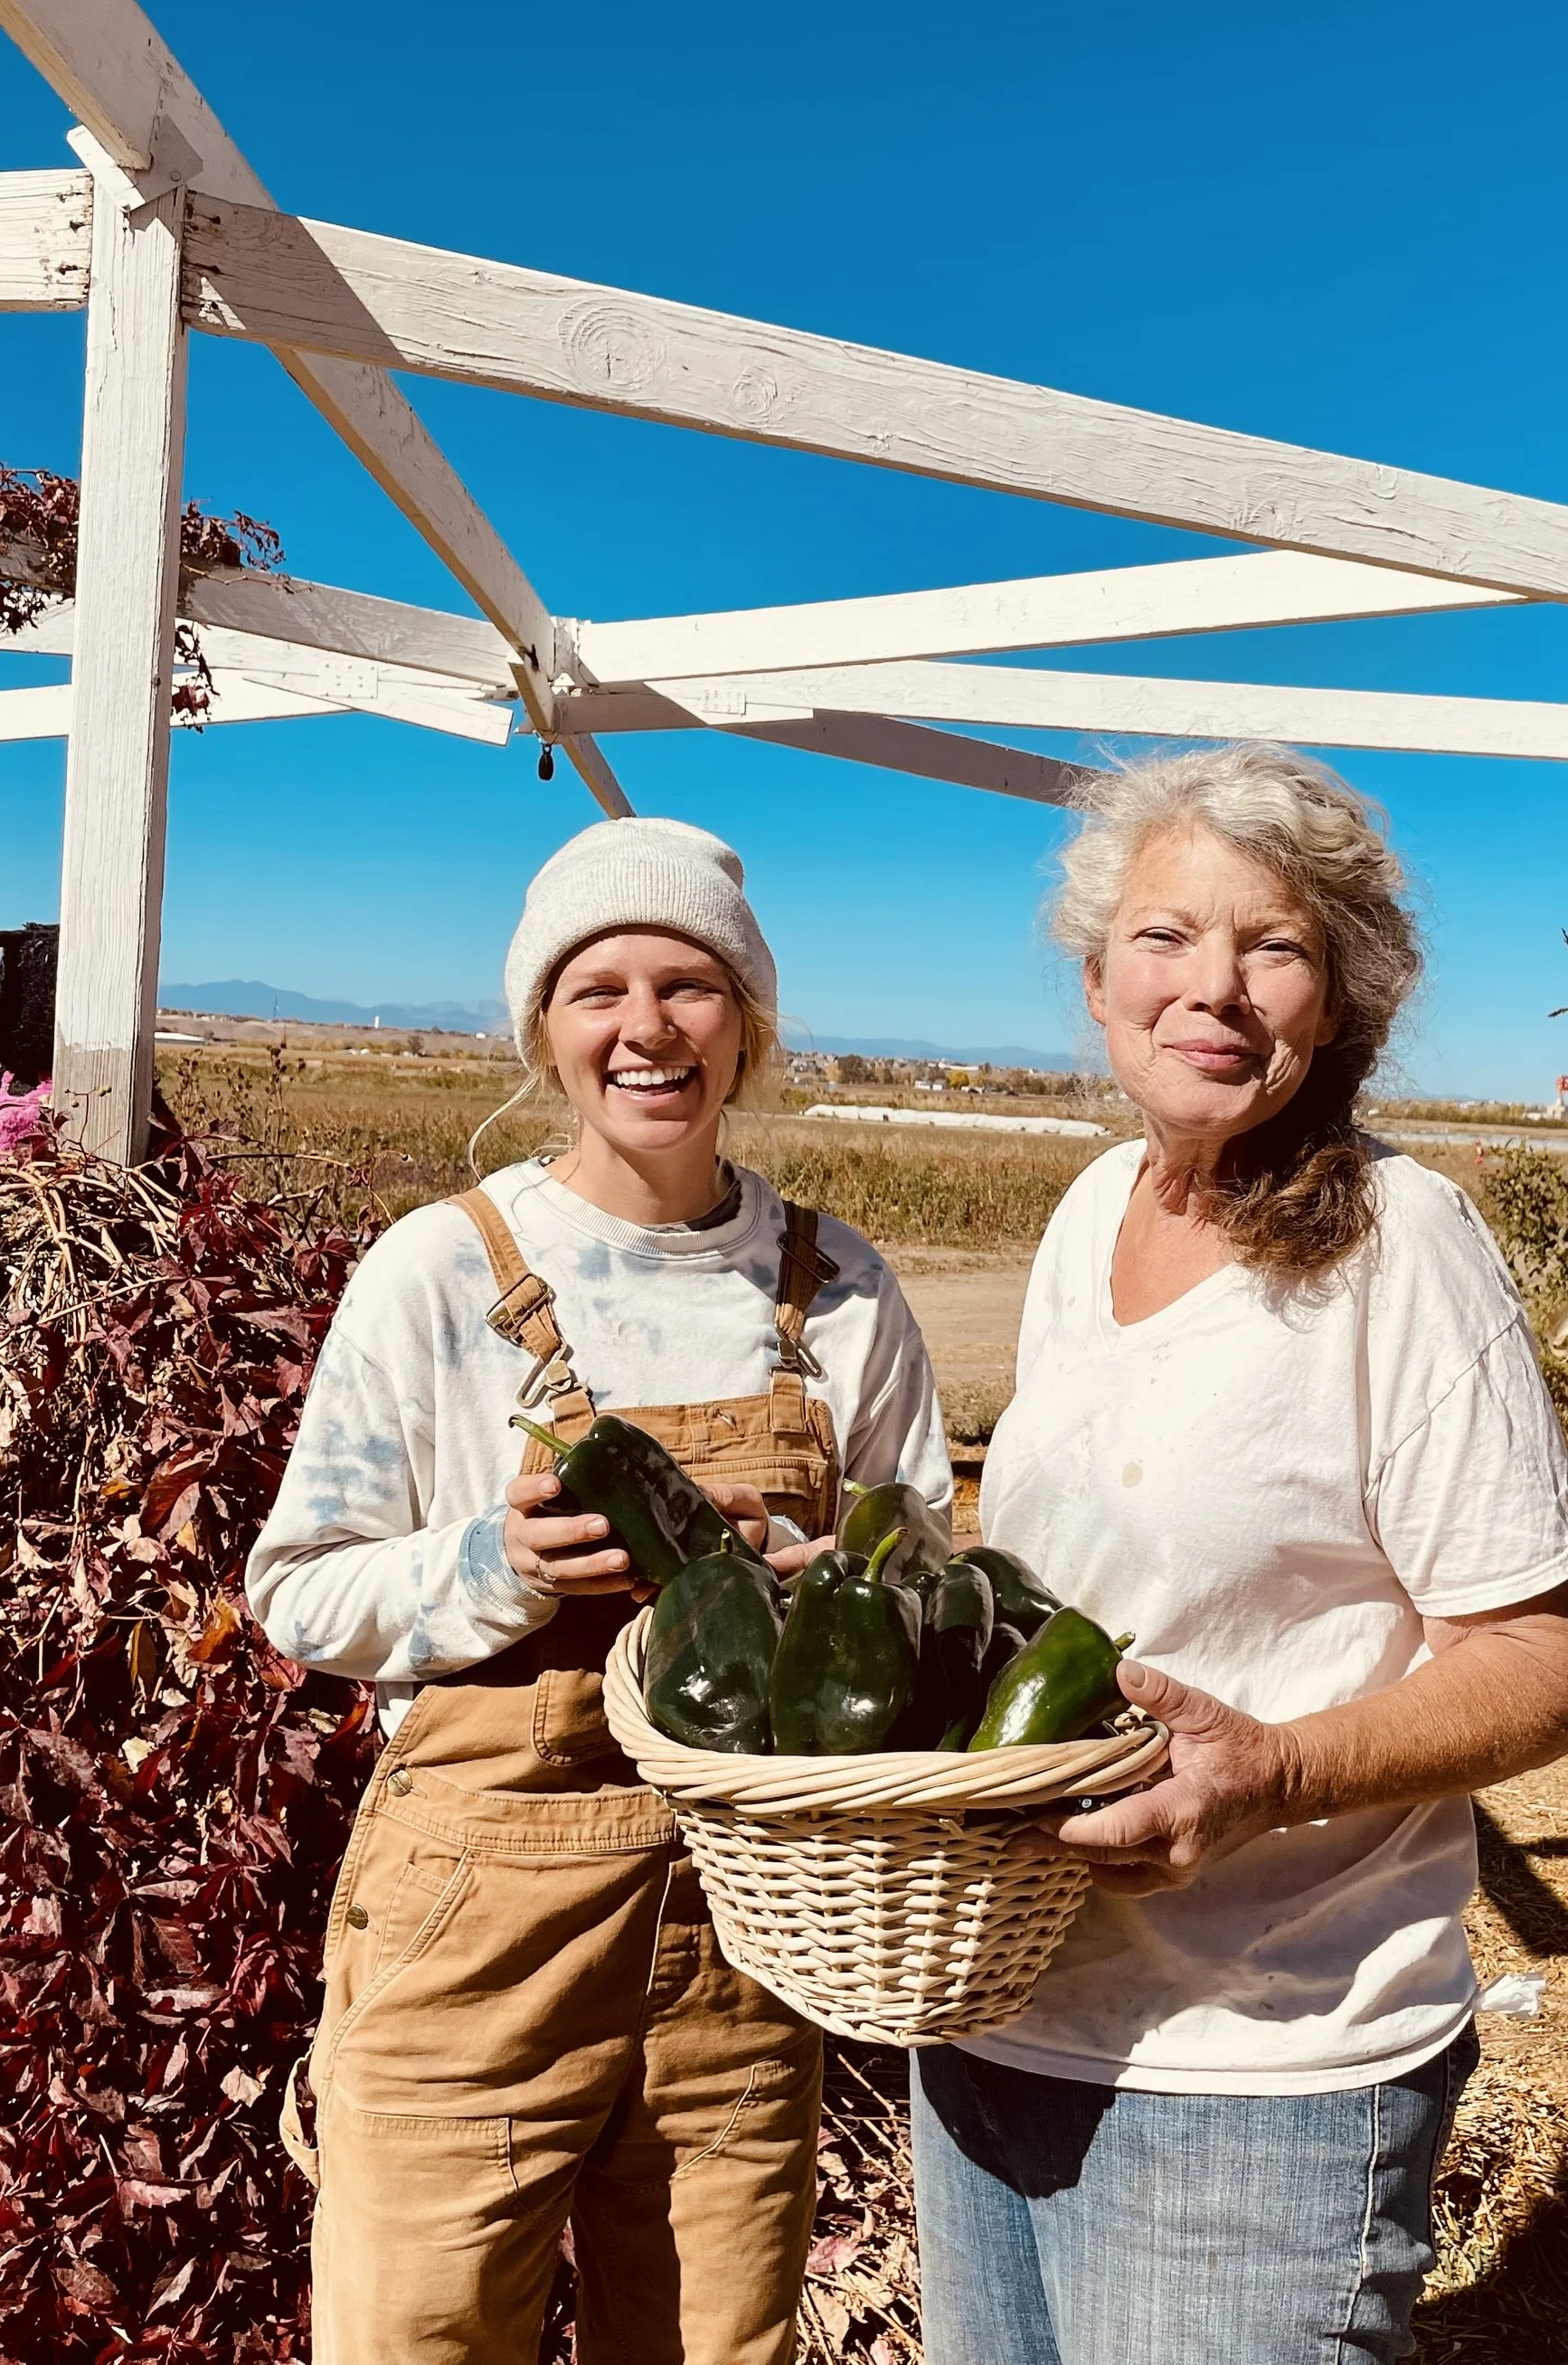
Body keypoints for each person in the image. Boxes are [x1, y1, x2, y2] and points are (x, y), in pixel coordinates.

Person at [912, 747, 1568, 2365]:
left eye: (1274, 945)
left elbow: (1557, 1658)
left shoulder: (1401, 1247)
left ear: (1343, 999)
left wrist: (1273, 1774)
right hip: (999, 2015)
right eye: (1164, 936)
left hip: (1260, 2068)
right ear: (1097, 981)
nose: (1212, 988)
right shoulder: (1089, 1213)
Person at [250, 816, 951, 2365]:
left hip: (746, 1929)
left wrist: (822, 1585)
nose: (648, 1029)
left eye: (690, 986)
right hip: (475, 1927)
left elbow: (933, 1581)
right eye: (599, 991)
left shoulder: (841, 1289)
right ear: (544, 1032)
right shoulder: (443, 1270)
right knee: (419, 2339)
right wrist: (492, 1565)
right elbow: (296, 1592)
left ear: (745, 1023)